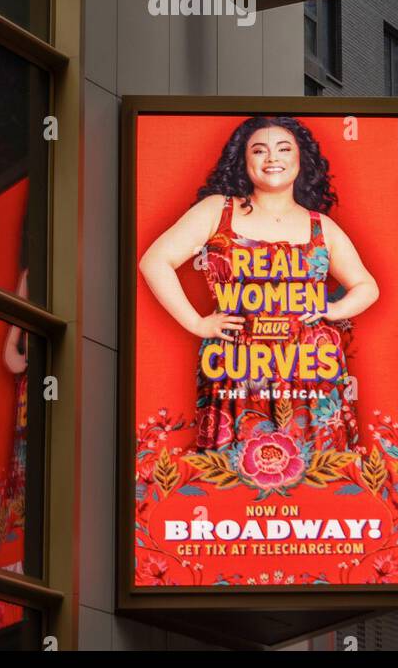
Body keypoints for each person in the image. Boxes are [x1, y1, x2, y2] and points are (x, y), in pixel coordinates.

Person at [139, 115, 379, 455]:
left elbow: (367, 286)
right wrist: (197, 323)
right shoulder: (217, 211)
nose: (272, 159)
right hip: (238, 368)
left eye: (283, 149)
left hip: (309, 371)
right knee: (235, 477)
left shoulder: (320, 227)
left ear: (300, 159)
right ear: (243, 159)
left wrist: (331, 309)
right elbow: (154, 261)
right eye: (259, 150)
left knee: (317, 484)